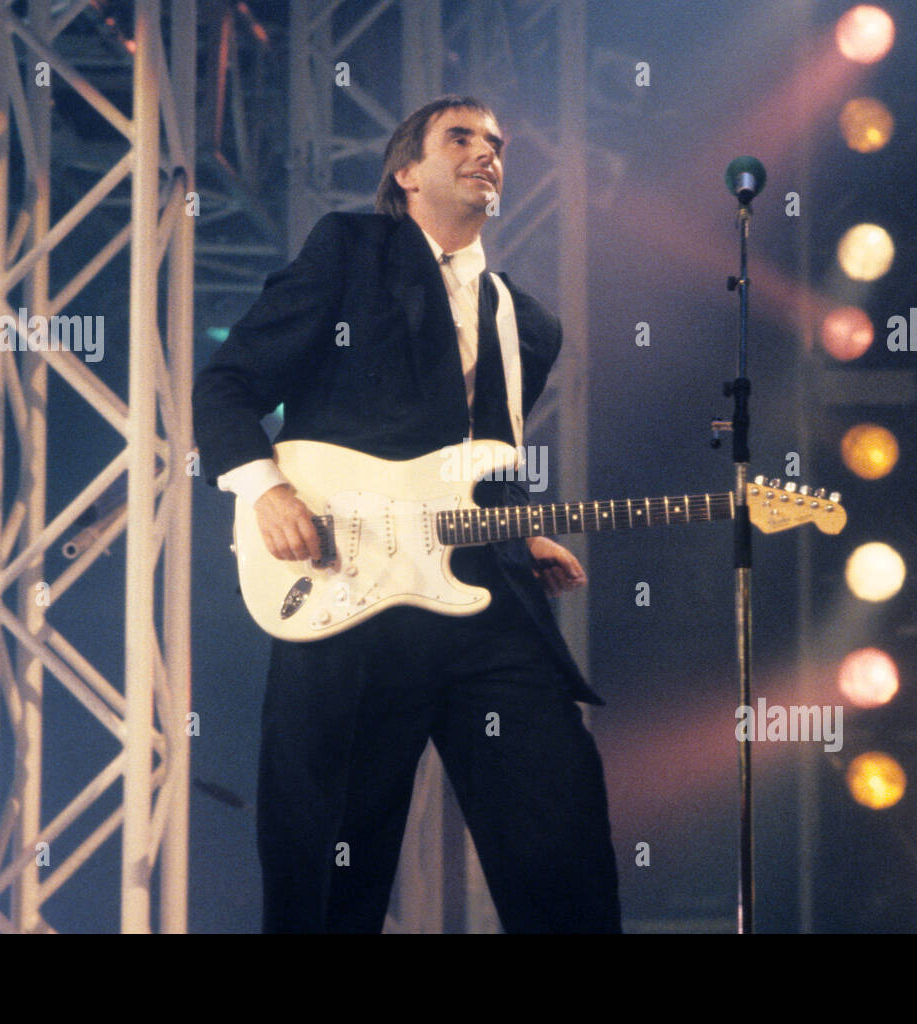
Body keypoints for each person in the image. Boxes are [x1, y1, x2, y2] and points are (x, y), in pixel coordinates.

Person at [192, 95, 621, 933]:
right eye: (460, 137)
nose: (487, 152)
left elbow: (480, 458)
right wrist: (264, 486)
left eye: (497, 141)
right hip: (348, 589)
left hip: (483, 599)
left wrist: (516, 527)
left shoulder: (526, 322)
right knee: (330, 861)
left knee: (558, 826)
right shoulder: (350, 250)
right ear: (407, 171)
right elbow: (229, 383)